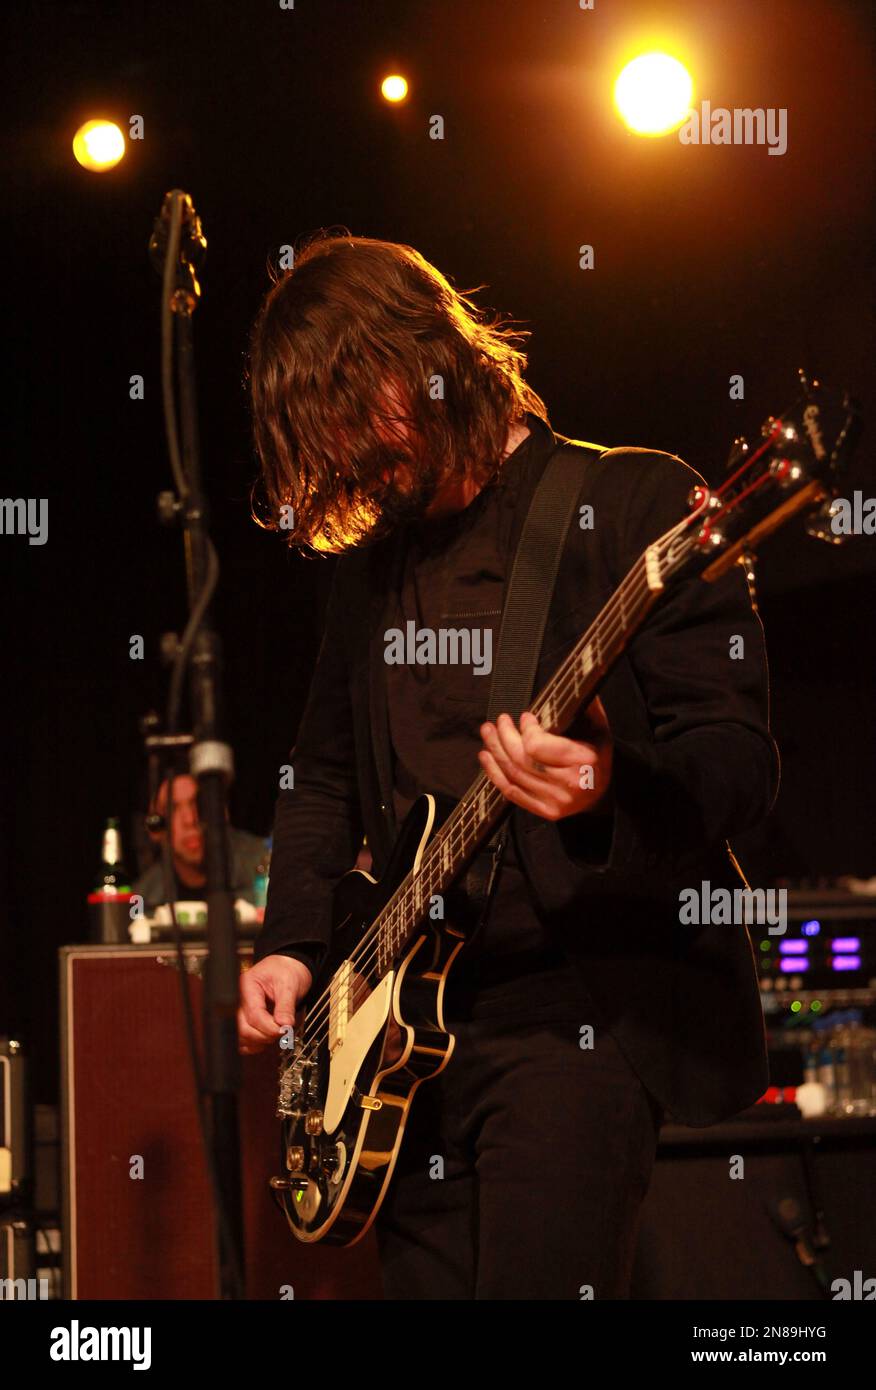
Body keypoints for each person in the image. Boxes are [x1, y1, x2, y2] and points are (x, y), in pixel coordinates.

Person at [237, 233, 779, 1299]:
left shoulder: (627, 505)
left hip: (575, 1017)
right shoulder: (368, 577)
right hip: (406, 1046)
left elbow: (739, 761)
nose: (346, 450)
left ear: (433, 357)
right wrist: (295, 946)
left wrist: (603, 789)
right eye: (321, 433)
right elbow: (321, 774)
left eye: (357, 407)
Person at [134, 771, 266, 914]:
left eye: (198, 803)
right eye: (172, 809)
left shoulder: (269, 870)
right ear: (155, 828)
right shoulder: (142, 900)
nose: (190, 819)